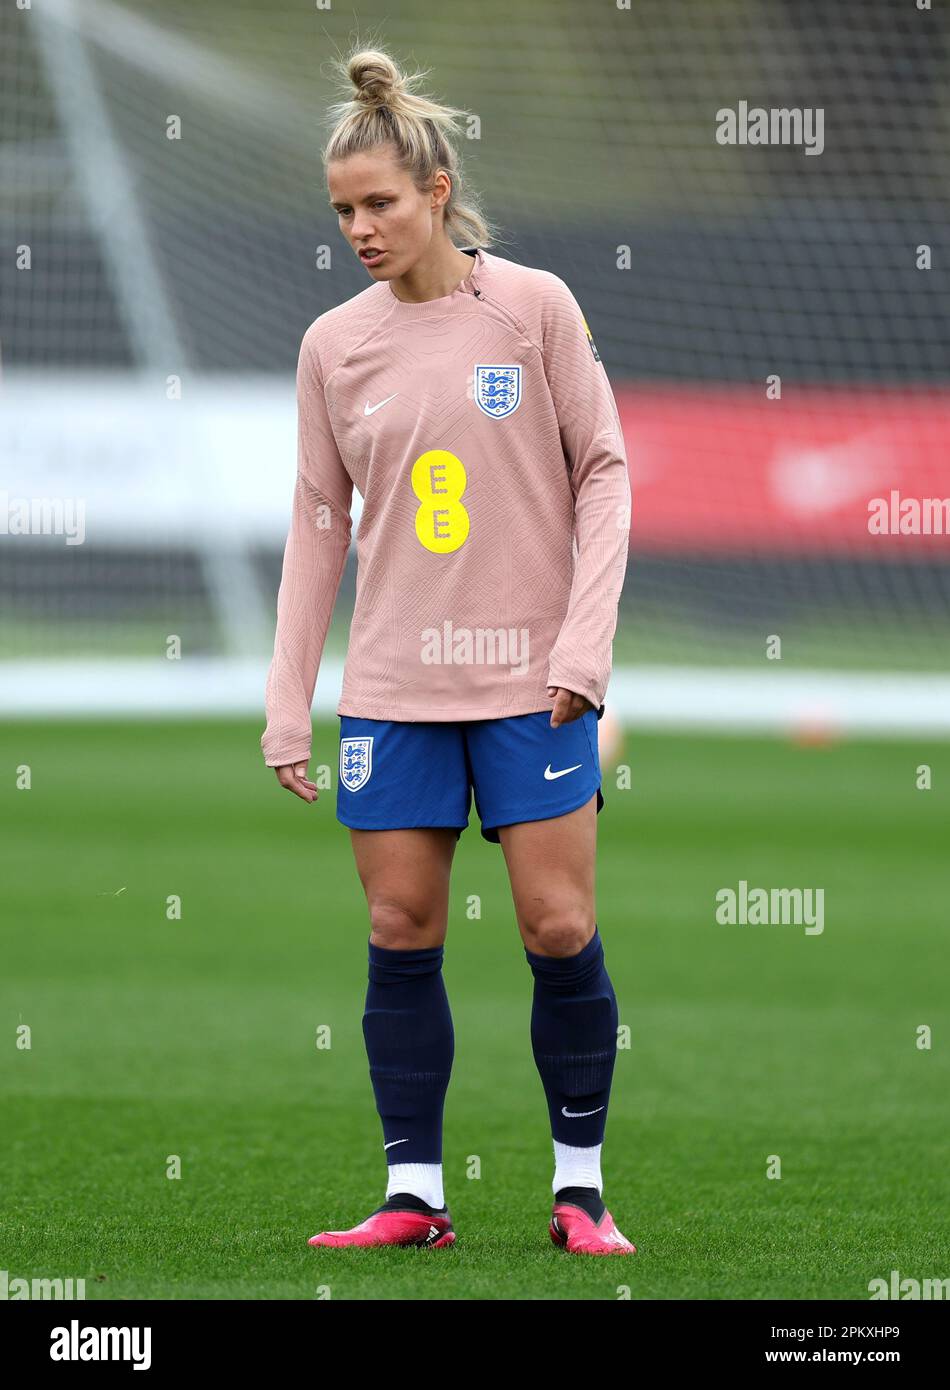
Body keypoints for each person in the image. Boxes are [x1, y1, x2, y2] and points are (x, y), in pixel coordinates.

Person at [261, 45, 634, 1256]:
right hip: (393, 690)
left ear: (436, 190)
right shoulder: (333, 345)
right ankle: (413, 1195)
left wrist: (584, 646)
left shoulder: (533, 308)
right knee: (398, 929)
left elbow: (604, 476)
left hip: (533, 684)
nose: (358, 229)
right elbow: (319, 525)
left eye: (377, 204)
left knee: (557, 928)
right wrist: (287, 701)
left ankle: (577, 1189)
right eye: (341, 212)